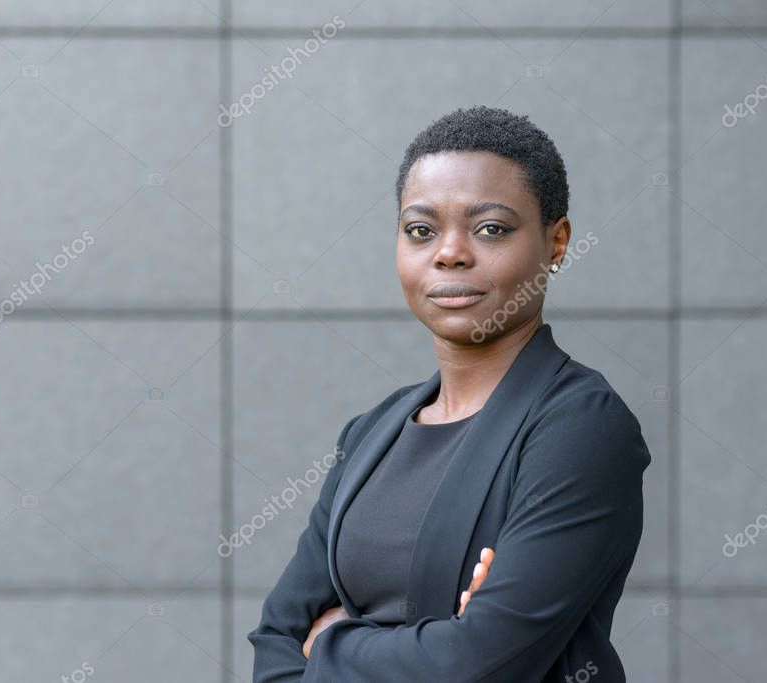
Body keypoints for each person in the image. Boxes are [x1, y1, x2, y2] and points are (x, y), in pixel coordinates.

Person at [248, 105, 652, 682]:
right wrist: (435, 642)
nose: (450, 252)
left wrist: (332, 641)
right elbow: (275, 642)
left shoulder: (581, 425)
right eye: (421, 229)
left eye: (491, 228)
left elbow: (476, 665)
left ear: (556, 242)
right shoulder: (372, 432)